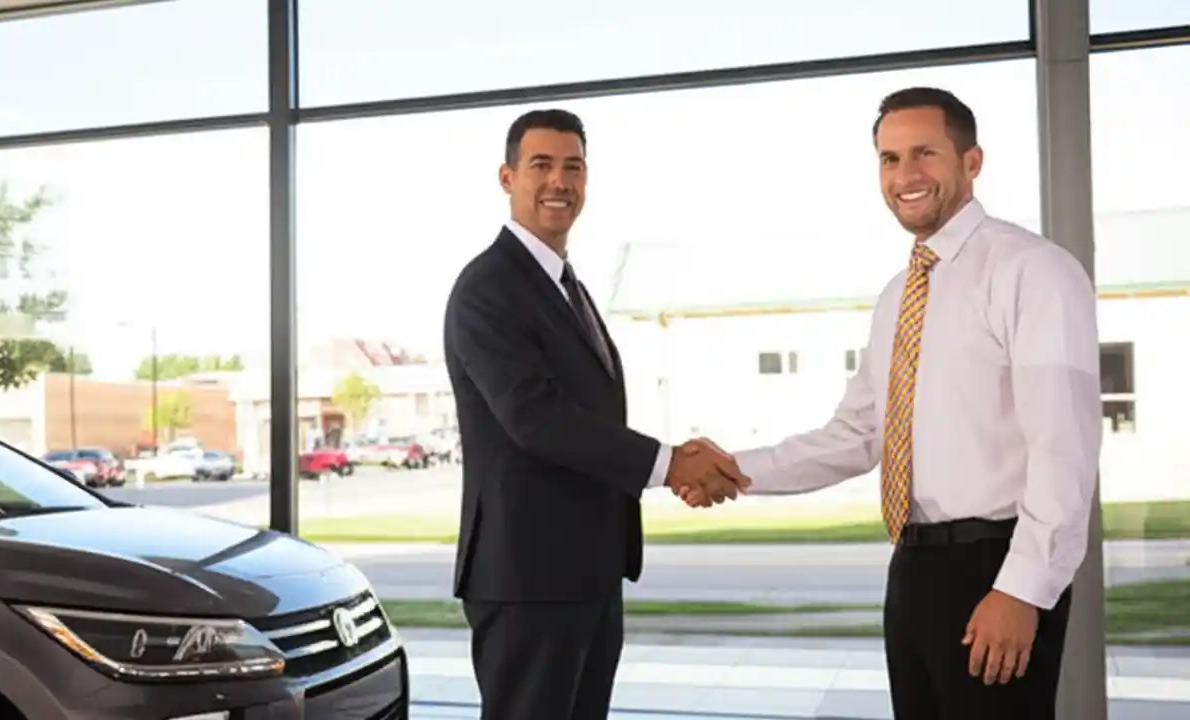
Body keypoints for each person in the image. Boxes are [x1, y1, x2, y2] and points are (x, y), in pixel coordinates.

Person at [680, 87, 1101, 718]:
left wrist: (1023, 590)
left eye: (925, 153)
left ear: (972, 161)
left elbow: (1062, 446)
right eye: (889, 158)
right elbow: (855, 435)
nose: (905, 175)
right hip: (913, 567)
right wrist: (733, 469)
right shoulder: (898, 295)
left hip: (996, 566)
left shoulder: (1032, 270)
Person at [442, 108, 751, 720]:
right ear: (507, 178)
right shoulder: (487, 288)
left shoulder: (566, 284)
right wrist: (669, 463)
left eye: (573, 167)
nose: (560, 181)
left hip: (585, 571)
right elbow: (534, 418)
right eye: (541, 166)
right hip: (528, 580)